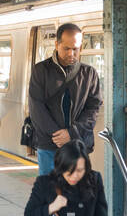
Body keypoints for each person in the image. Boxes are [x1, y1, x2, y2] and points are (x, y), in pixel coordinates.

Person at [28, 22, 101, 176]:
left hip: (78, 144)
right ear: (56, 44)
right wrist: (58, 135)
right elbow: (36, 107)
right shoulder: (41, 70)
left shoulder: (89, 73)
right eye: (66, 48)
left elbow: (93, 108)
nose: (71, 54)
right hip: (49, 145)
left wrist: (71, 133)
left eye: (75, 49)